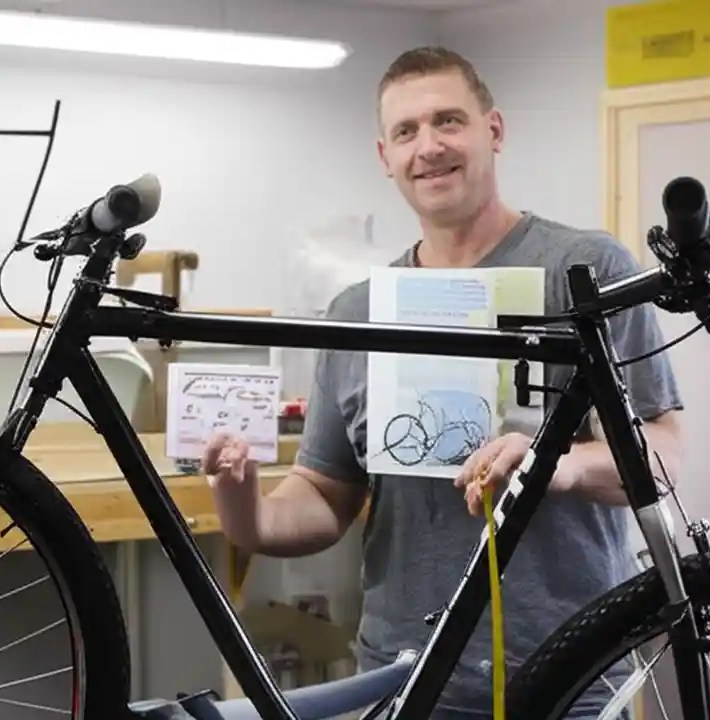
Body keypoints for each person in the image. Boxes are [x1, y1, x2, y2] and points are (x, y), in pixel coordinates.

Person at [202, 46, 685, 718]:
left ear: (493, 130)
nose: (428, 146)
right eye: (406, 131)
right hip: (406, 680)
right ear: (385, 156)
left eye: (448, 121)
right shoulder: (358, 314)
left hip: (569, 670)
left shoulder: (586, 272)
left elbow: (663, 454)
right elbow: (322, 497)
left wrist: (558, 466)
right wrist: (242, 504)